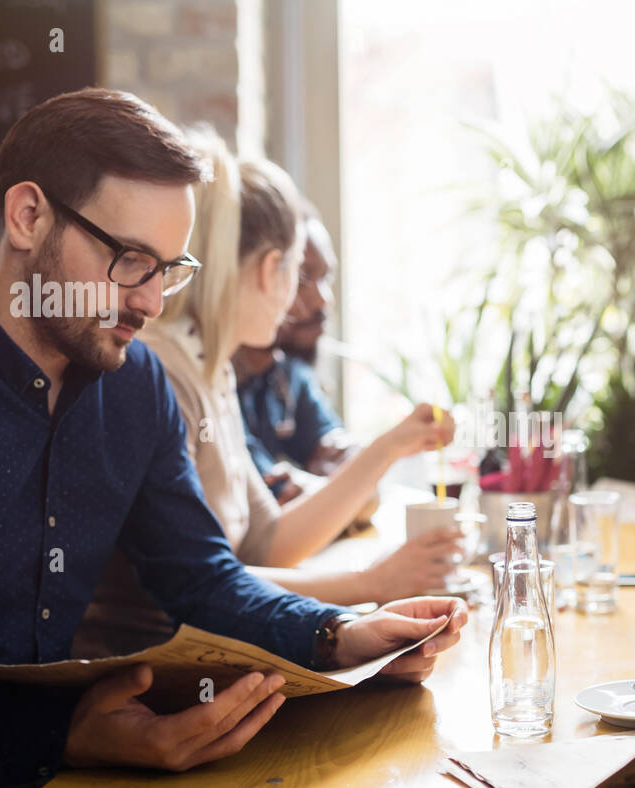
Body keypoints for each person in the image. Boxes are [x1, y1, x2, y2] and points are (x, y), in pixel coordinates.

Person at [0, 89, 467, 788]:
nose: (148, 301)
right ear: (28, 217)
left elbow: (202, 578)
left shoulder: (135, 382)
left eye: (168, 269)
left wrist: (338, 636)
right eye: (129, 261)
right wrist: (64, 732)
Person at [82, 128, 459, 629]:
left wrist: (389, 447)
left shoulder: (209, 368)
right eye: (298, 272)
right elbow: (207, 585)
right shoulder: (163, 373)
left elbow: (269, 542)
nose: (306, 299)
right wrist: (372, 584)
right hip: (158, 667)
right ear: (270, 268)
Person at [234, 214, 358, 505]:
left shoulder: (289, 375)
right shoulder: (213, 383)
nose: (323, 300)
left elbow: (355, 473)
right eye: (302, 279)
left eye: (326, 277)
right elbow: (273, 505)